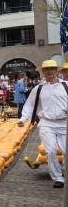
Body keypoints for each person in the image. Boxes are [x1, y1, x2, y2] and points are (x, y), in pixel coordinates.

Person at [18, 60, 68, 188]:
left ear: (56, 71)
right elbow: (29, 105)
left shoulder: (65, 85)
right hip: (47, 123)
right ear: (43, 72)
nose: (49, 72)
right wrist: (23, 119)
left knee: (65, 151)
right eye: (46, 70)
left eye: (52, 69)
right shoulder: (38, 89)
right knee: (51, 151)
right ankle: (58, 178)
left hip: (64, 123)